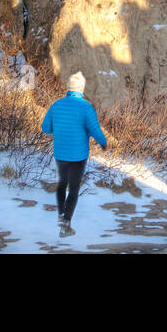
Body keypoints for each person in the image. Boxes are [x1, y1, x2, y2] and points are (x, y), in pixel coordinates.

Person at [40, 72, 107, 236]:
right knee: (74, 188)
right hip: (78, 155)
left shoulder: (56, 104)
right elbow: (94, 130)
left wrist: (61, 128)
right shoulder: (86, 107)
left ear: (69, 88)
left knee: (62, 183)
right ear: (81, 89)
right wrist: (103, 142)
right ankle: (66, 225)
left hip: (60, 153)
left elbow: (45, 128)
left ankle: (61, 215)